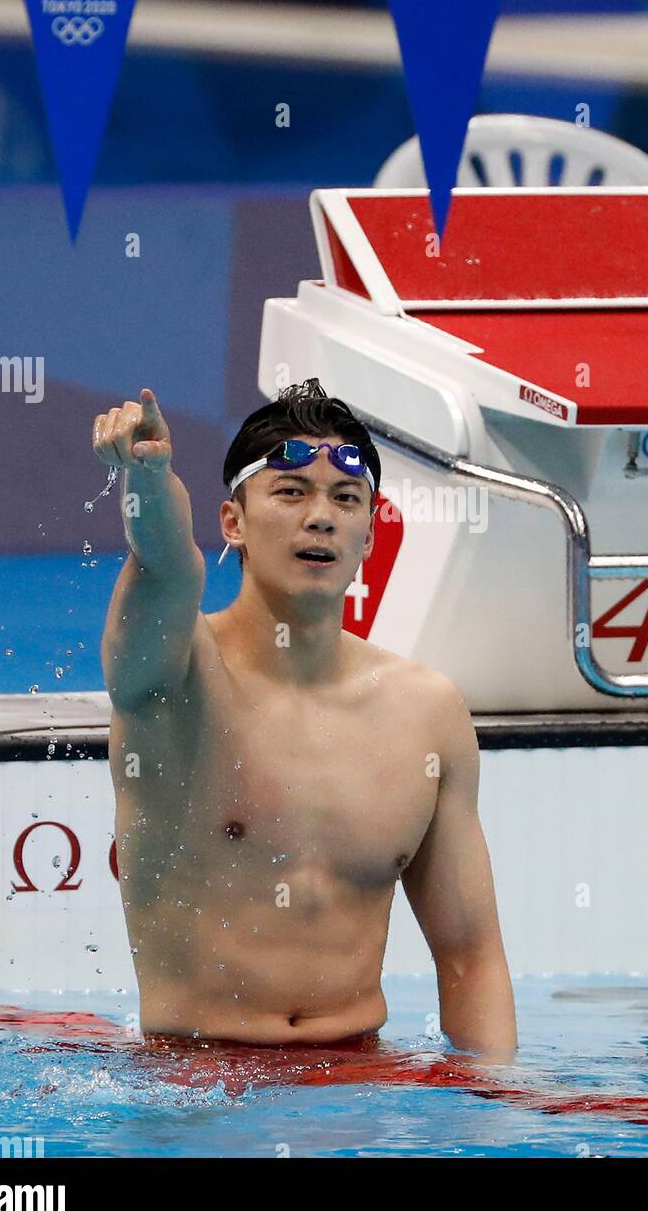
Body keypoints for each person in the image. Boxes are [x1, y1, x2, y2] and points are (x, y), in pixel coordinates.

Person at [92, 378, 516, 1061]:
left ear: (371, 533)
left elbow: (471, 958)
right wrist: (149, 478)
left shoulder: (426, 712)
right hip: (198, 1094)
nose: (320, 517)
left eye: (346, 499)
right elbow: (168, 564)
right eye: (290, 492)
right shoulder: (171, 676)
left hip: (359, 1090)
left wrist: (497, 1106)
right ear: (233, 521)